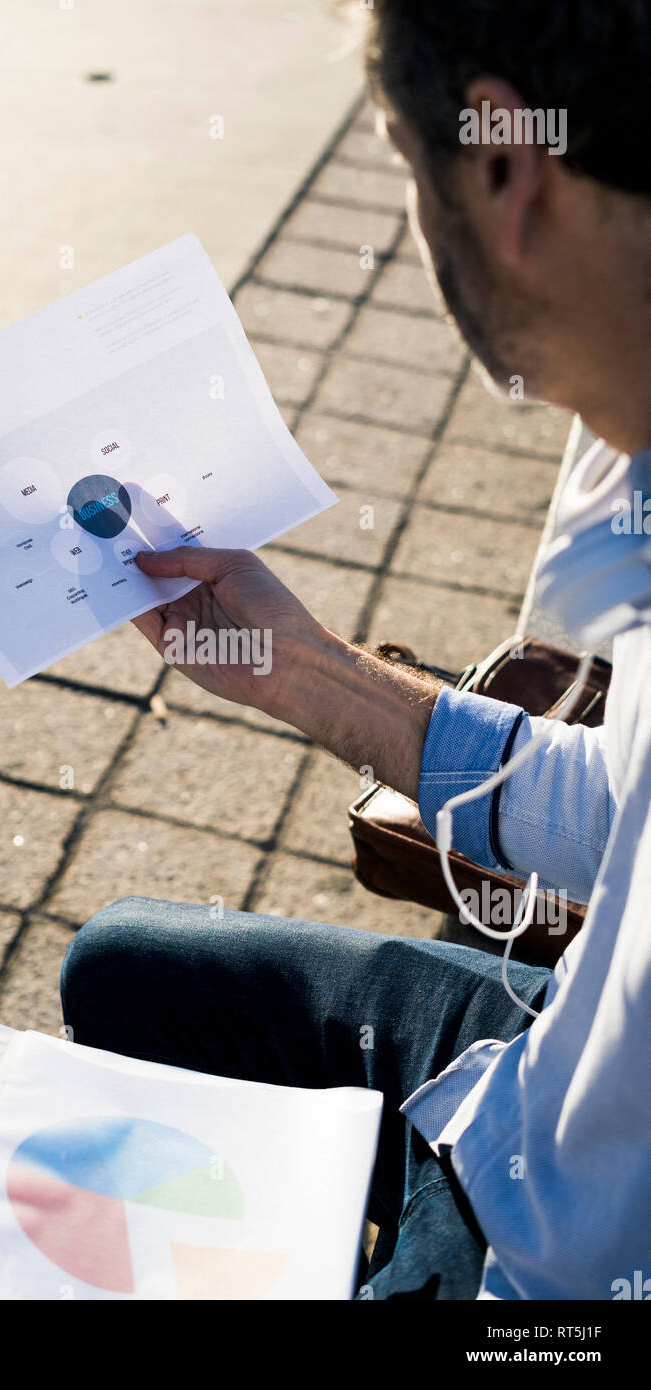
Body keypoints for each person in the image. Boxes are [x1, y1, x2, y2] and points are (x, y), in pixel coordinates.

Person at [61, 0, 651, 1299]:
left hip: (562, 1266)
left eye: (399, 156)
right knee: (114, 964)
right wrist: (299, 667)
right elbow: (627, 806)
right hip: (548, 1084)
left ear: (504, 165)